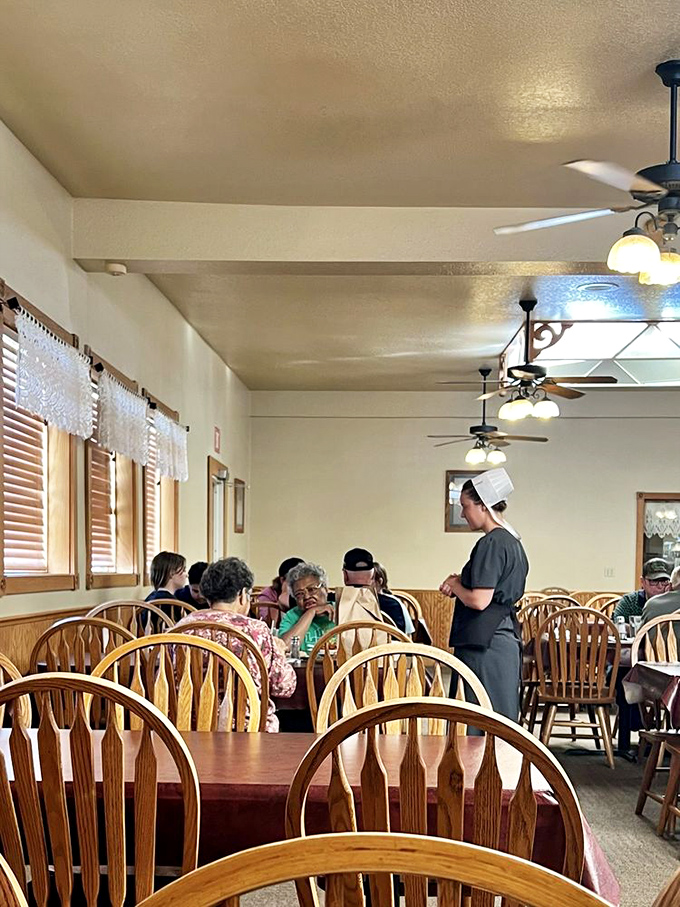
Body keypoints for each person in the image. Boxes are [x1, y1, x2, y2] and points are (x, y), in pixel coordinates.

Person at [439, 469, 528, 725]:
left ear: (483, 505)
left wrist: (456, 584)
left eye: (465, 506)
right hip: (501, 635)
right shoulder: (511, 541)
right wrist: (460, 582)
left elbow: (479, 600)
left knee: (483, 720)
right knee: (500, 717)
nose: (462, 513)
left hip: (487, 642)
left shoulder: (492, 543)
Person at [173, 557, 296, 732]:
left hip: (188, 727)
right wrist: (279, 651)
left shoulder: (182, 627)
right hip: (245, 727)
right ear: (242, 594)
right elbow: (284, 687)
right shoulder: (255, 630)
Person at [342, 548, 414, 634]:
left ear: (345, 576)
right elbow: (404, 638)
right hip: (387, 647)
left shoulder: (337, 603)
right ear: (372, 576)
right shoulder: (394, 605)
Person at [278, 562, 336, 653]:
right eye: (300, 594)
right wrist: (311, 612)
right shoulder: (292, 616)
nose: (307, 597)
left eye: (312, 589)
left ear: (325, 588)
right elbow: (284, 647)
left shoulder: (341, 609)